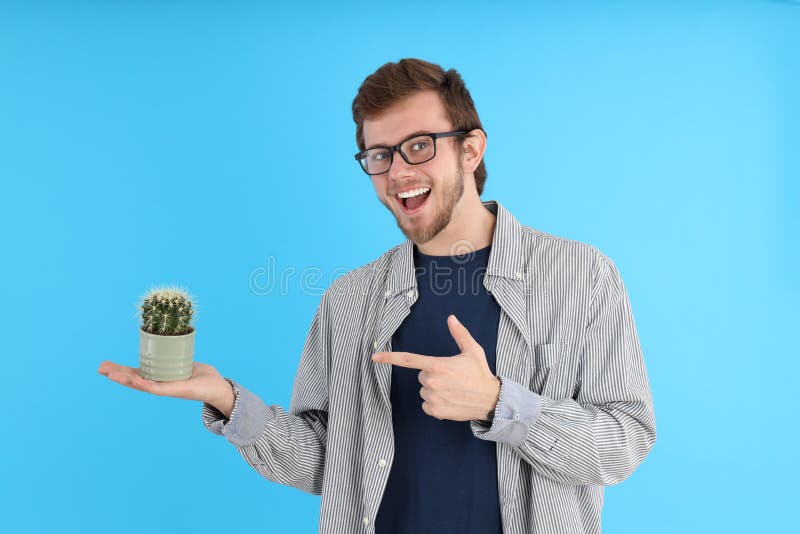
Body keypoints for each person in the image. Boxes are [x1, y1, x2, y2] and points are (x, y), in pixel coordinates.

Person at [98, 58, 656, 533]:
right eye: (380, 155)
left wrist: (496, 403)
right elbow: (327, 464)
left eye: (419, 145)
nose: (397, 172)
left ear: (470, 148)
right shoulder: (350, 299)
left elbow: (625, 441)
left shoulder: (582, 276)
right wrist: (227, 399)